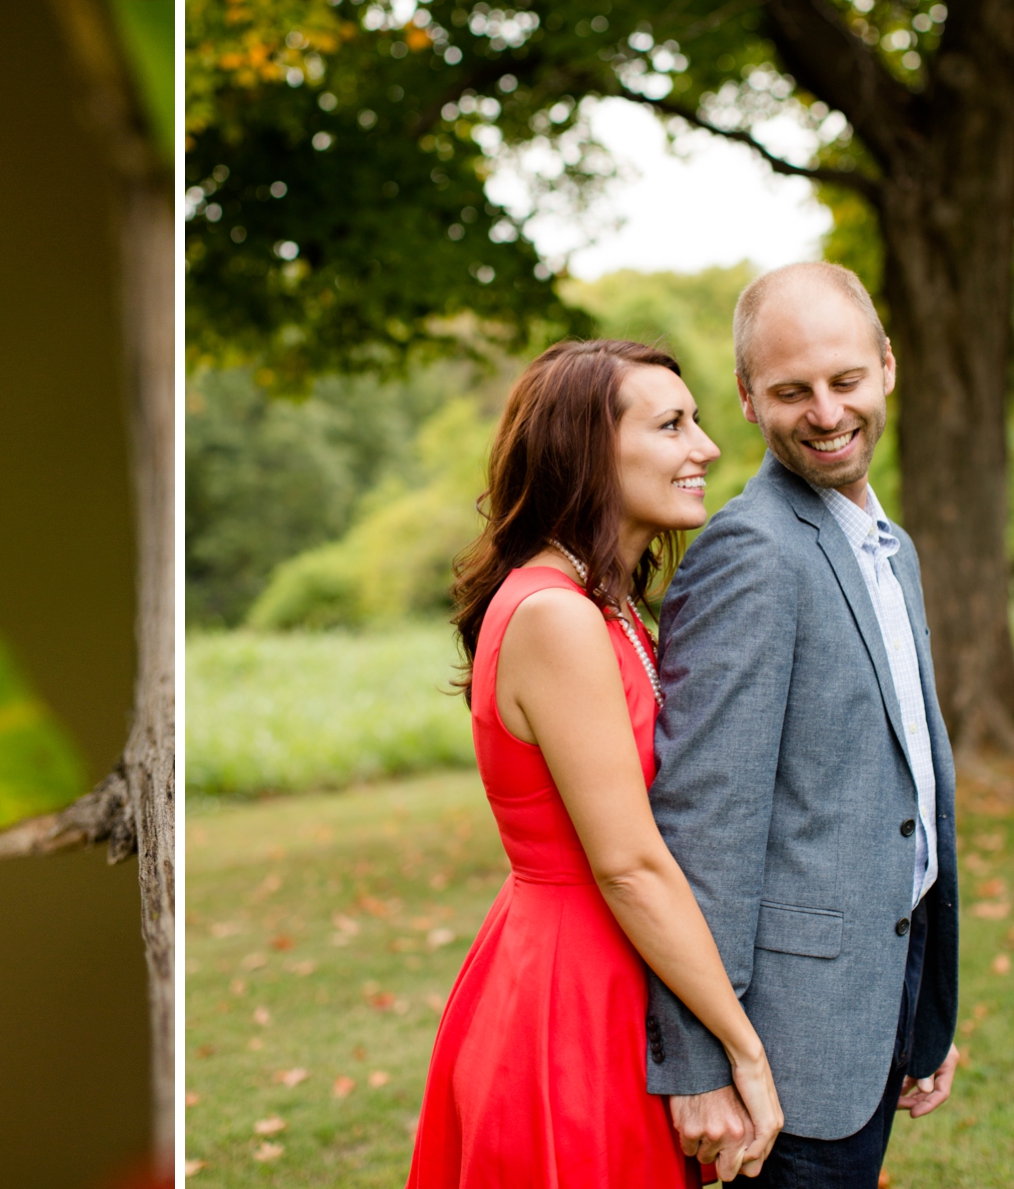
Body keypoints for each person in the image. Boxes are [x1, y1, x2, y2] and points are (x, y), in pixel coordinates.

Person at [408, 338, 785, 1188]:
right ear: (589, 450)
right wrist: (742, 1048)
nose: (707, 447)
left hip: (608, 964)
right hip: (576, 990)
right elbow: (629, 865)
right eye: (673, 425)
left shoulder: (597, 604)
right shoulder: (556, 617)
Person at [646, 261, 961, 1187]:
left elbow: (905, 793)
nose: (825, 412)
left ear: (888, 368)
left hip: (880, 992)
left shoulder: (886, 545)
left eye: (846, 380)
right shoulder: (751, 551)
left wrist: (927, 1008)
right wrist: (701, 1066)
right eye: (792, 391)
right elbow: (704, 826)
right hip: (783, 1039)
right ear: (747, 399)